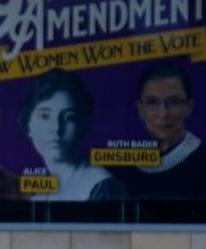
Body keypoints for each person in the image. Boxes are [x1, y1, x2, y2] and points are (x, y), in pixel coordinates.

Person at [17, 69, 125, 202]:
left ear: (82, 125)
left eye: (69, 117)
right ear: (28, 124)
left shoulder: (101, 187)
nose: (56, 128)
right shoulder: (40, 192)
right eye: (45, 116)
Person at [125, 61, 206, 200]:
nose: (163, 113)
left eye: (174, 102)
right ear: (140, 109)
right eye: (152, 102)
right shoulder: (123, 164)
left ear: (189, 108)